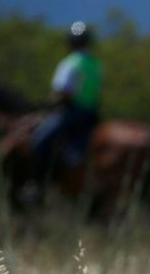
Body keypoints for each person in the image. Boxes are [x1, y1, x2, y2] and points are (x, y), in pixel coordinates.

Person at [29, 21, 102, 191]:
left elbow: (64, 92)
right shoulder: (95, 64)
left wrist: (49, 104)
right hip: (92, 114)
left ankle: (38, 185)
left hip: (72, 112)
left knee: (39, 139)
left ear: (70, 42)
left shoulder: (70, 63)